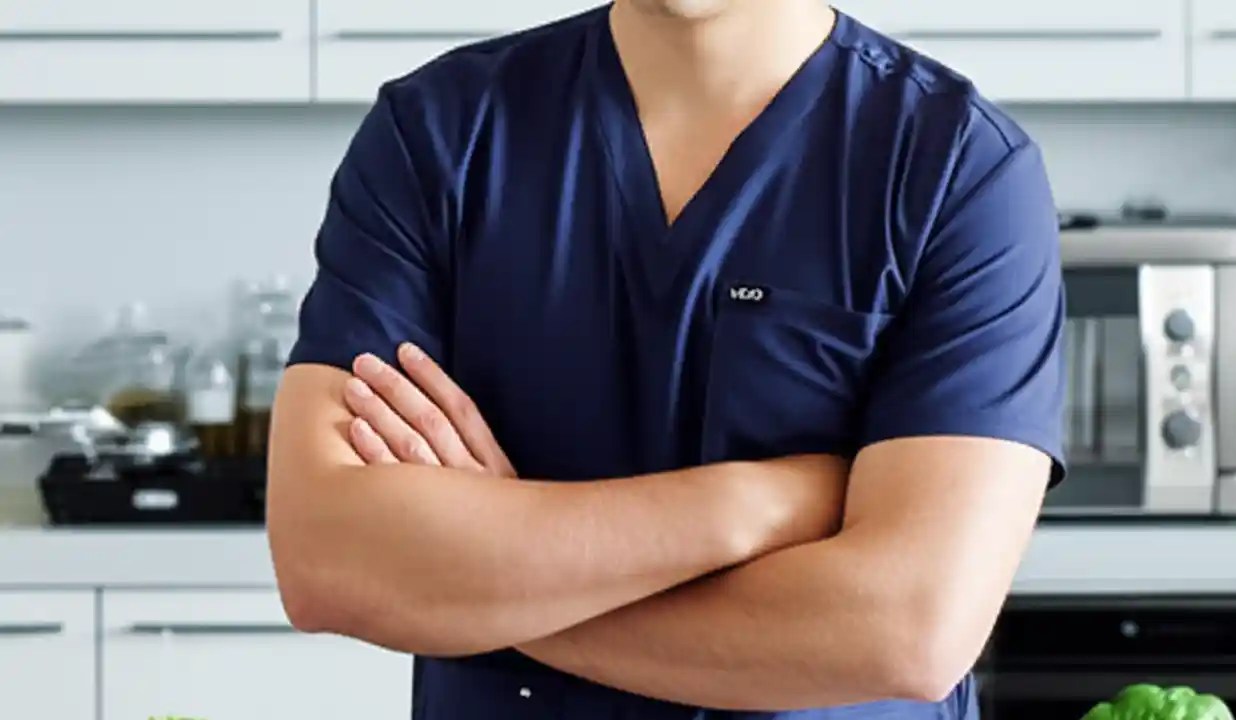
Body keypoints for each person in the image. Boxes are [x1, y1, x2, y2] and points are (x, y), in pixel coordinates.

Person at [266, 0, 1065, 717]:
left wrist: (481, 592)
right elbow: (328, 562)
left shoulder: (958, 168)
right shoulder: (439, 134)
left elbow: (909, 632)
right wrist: (758, 504)